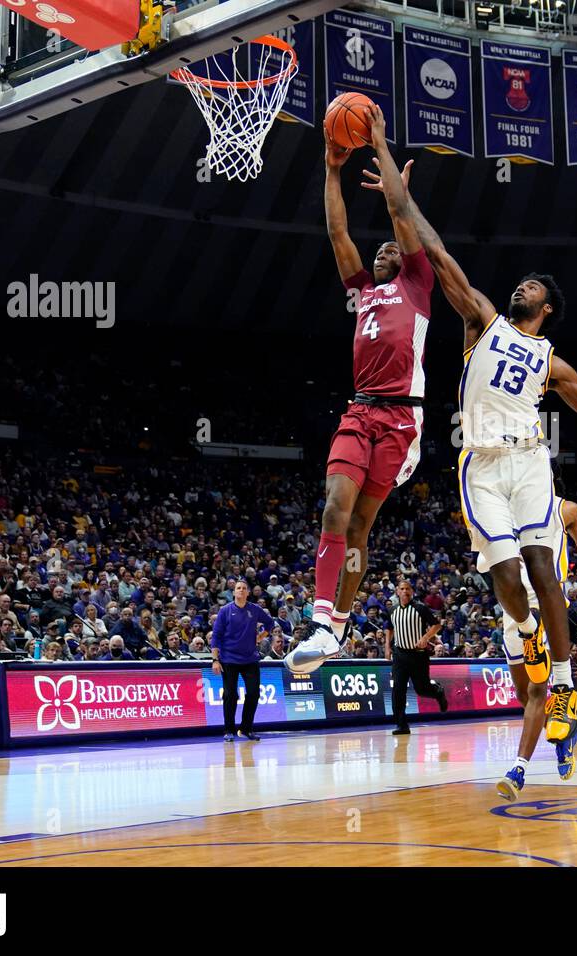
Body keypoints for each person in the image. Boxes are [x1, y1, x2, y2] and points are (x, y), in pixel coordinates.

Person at [366, 152, 577, 769]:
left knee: (541, 567)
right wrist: (399, 196)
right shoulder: (481, 320)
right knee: (504, 576)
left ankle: (560, 684)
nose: (520, 285)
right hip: (479, 463)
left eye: (532, 286)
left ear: (546, 306)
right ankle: (529, 637)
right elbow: (436, 252)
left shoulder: (552, 363)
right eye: (521, 282)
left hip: (529, 462)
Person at [287, 107, 437, 675]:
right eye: (380, 252)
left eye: (392, 251)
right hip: (360, 411)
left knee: (360, 526)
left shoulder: (418, 285)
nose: (384, 252)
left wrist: (379, 144)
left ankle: (341, 622)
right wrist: (331, 168)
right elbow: (337, 231)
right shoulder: (360, 291)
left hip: (403, 419)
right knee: (334, 509)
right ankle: (323, 621)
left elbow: (401, 213)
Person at [495, 493, 577, 799]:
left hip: (546, 607)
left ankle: (518, 770)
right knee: (523, 694)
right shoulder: (501, 509)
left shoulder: (566, 509)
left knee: (536, 691)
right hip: (511, 612)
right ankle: (564, 731)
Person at [210, 581, 276, 742]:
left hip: (250, 659)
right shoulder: (225, 611)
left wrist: (260, 637)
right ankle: (229, 730)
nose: (241, 590)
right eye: (238, 588)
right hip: (228, 659)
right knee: (230, 695)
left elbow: (270, 623)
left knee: (254, 694)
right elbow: (216, 636)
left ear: (248, 593)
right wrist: (215, 660)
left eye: (244, 588)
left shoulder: (254, 609)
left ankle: (246, 729)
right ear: (234, 592)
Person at [387, 580, 447, 736]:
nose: (405, 591)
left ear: (412, 591)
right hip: (400, 655)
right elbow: (388, 628)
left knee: (422, 689)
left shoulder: (420, 608)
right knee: (398, 690)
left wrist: (426, 637)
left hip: (418, 655)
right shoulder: (392, 610)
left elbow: (436, 625)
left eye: (408, 588)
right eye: (402, 588)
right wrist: (387, 647)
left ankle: (437, 692)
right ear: (397, 592)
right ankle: (402, 725)